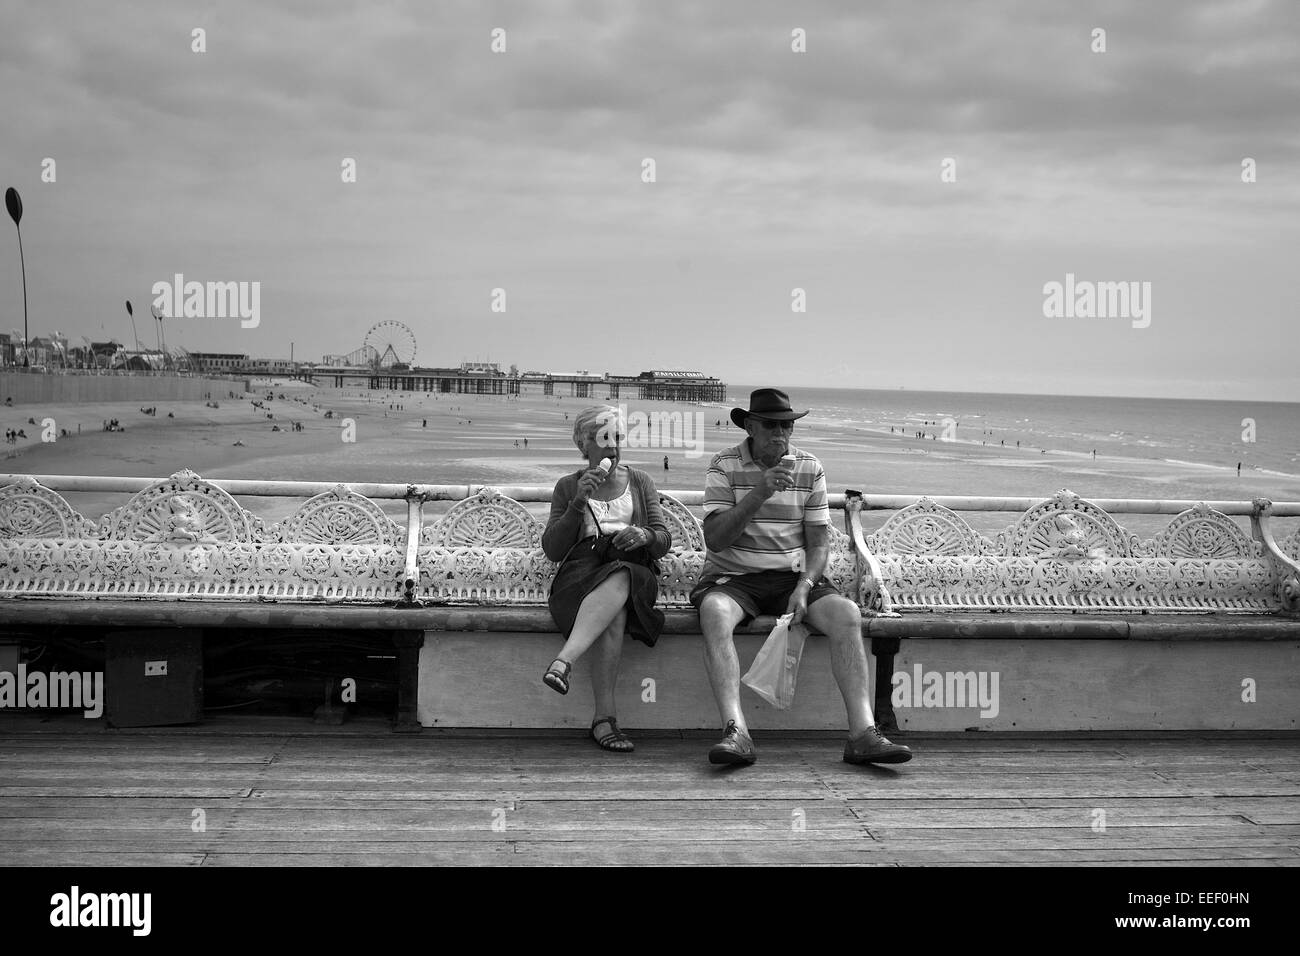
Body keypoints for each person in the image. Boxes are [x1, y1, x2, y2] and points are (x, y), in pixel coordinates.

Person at [691, 388, 913, 768]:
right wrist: (759, 493)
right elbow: (715, 538)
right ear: (749, 426)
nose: (781, 433)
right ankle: (735, 731)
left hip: (793, 577)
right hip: (735, 575)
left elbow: (819, 543)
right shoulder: (723, 465)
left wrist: (806, 586)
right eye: (771, 425)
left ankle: (863, 732)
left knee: (847, 614)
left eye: (787, 426)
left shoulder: (809, 467)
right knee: (713, 611)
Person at [541, 405, 672, 753]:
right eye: (604, 438)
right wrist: (577, 502)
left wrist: (644, 536)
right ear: (585, 446)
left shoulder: (640, 481)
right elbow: (553, 550)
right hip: (581, 574)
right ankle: (604, 720)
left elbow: (662, 538)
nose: (613, 445)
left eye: (617, 437)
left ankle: (564, 661)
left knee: (624, 573)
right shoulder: (569, 486)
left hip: (632, 568)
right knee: (615, 615)